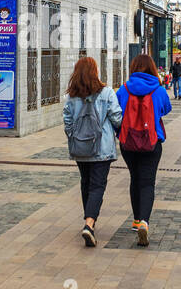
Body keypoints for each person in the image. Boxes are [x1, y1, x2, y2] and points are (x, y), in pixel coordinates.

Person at [63, 56, 122, 247]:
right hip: (101, 147)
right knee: (97, 185)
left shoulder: (71, 96)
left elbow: (67, 122)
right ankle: (89, 223)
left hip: (81, 148)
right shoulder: (106, 93)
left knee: (86, 183)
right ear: (95, 72)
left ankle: (88, 221)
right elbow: (117, 118)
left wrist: (75, 137)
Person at [117, 53, 172, 247]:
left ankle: (136, 219)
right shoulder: (158, 90)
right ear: (152, 68)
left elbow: (116, 112)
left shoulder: (124, 89)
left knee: (135, 178)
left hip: (128, 143)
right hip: (151, 142)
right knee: (148, 182)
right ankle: (145, 223)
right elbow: (167, 108)